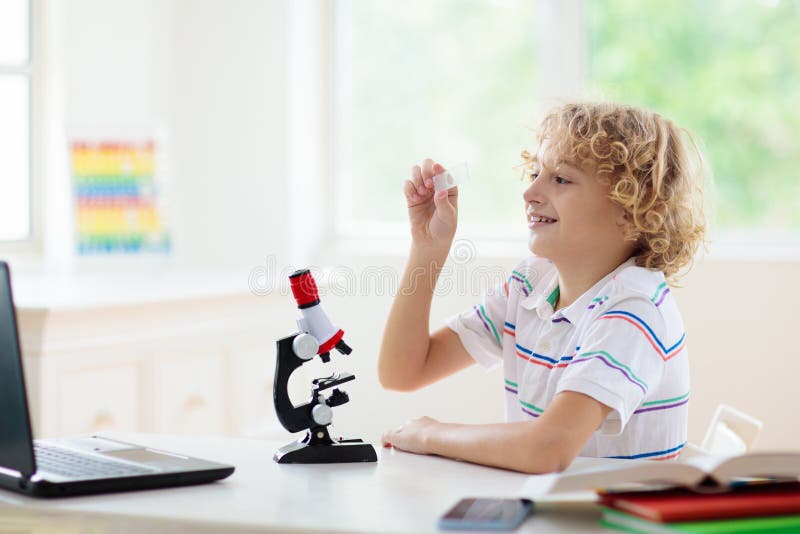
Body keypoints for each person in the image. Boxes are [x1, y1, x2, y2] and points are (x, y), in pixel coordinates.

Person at [378, 101, 706, 474]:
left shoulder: (634, 308)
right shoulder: (530, 285)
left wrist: (430, 435)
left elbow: (548, 449)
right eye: (535, 173)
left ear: (633, 206)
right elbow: (402, 372)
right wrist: (428, 248)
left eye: (561, 179)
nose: (529, 192)